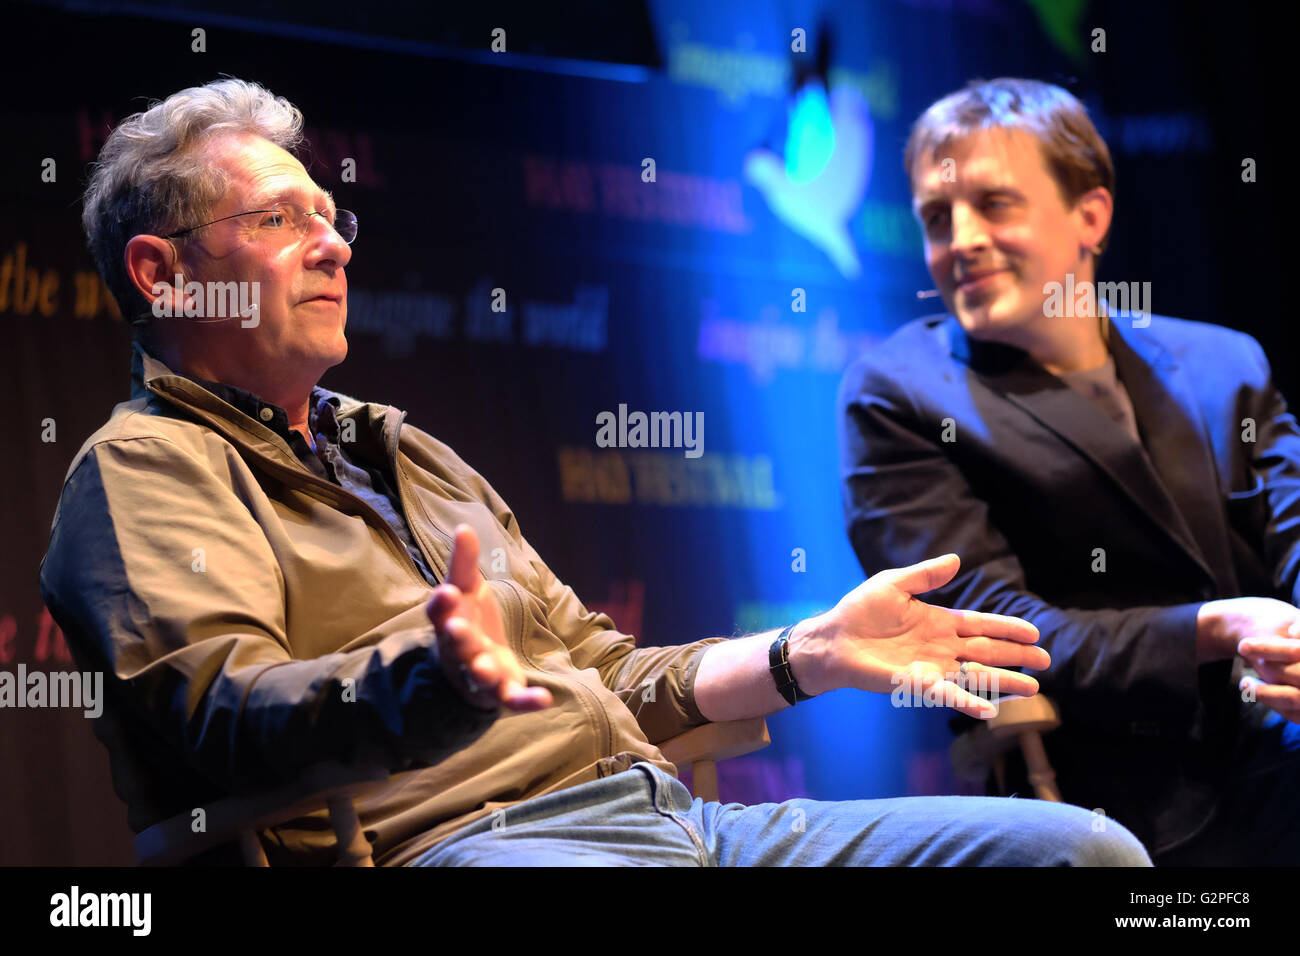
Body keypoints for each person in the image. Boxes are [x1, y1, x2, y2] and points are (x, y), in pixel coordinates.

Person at [40, 77, 1150, 867]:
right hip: (463, 842)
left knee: (1081, 849)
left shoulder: (408, 451)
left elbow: (606, 672)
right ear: (164, 271)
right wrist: (438, 674)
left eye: (333, 216)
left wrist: (801, 653)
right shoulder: (142, 472)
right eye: (278, 220)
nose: (332, 244)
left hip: (674, 820)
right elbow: (226, 714)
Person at [839, 77, 1300, 865]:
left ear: (1091, 215)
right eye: (937, 218)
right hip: (1115, 783)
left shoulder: (1224, 362)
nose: (963, 239)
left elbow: (1292, 527)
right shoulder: (900, 394)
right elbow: (993, 632)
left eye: (995, 205)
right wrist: (1218, 629)